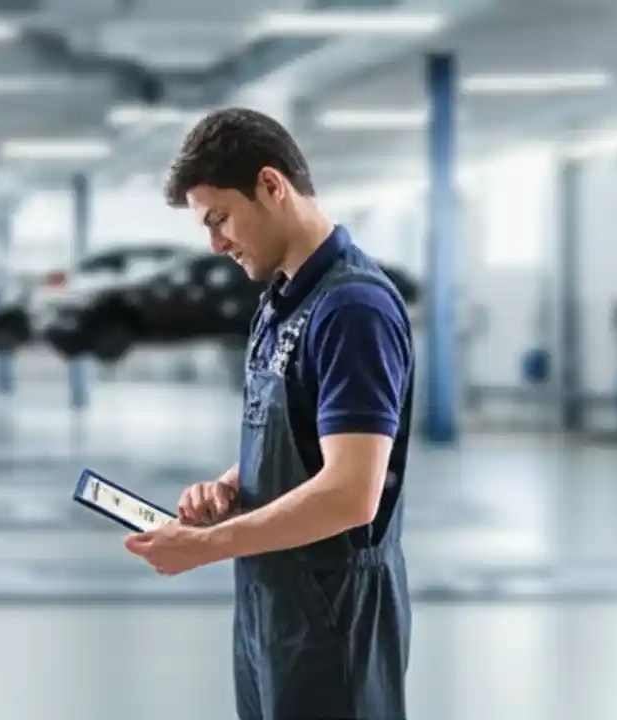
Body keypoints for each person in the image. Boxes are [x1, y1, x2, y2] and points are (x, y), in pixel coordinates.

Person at [124, 107, 415, 719]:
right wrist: (230, 488)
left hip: (333, 621)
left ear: (271, 185)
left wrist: (205, 547)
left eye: (220, 219)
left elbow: (349, 494)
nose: (215, 243)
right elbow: (300, 436)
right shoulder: (282, 300)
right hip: (273, 609)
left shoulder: (352, 309)